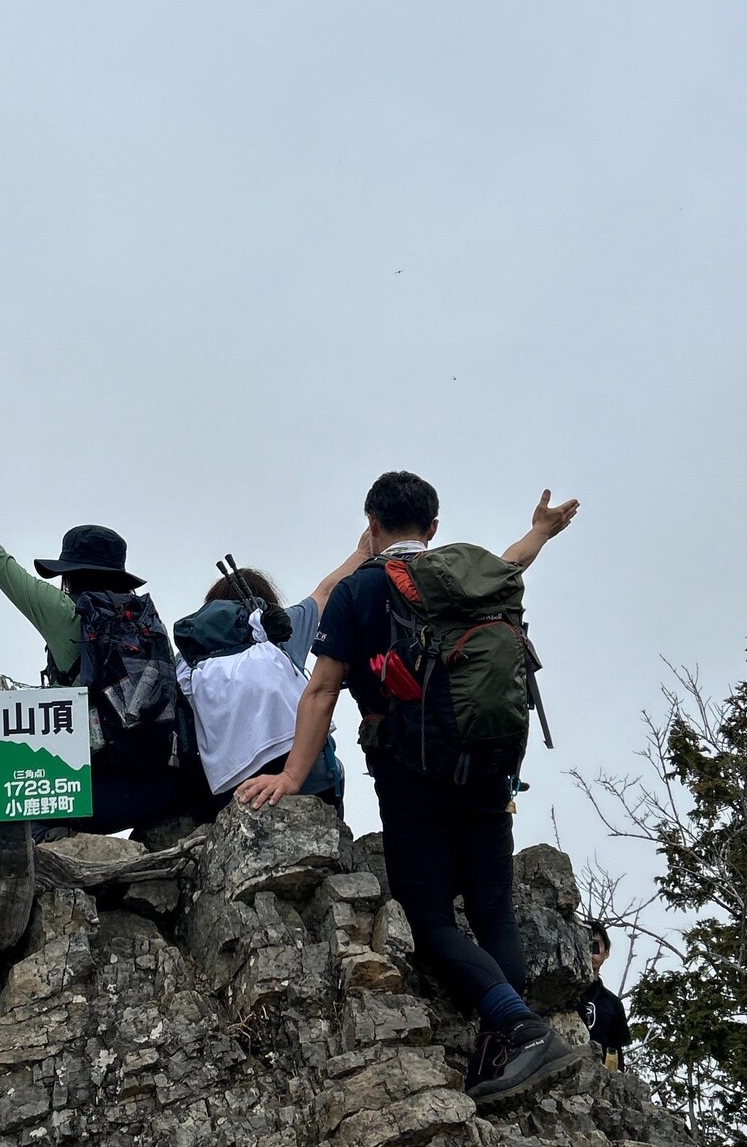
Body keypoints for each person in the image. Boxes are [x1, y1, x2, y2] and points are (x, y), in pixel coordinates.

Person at [238, 470, 583, 1109]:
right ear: (433, 529)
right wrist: (540, 532)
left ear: (371, 527)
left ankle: (520, 1029)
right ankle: (500, 1052)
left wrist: (289, 775)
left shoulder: (359, 592)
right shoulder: (471, 571)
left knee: (428, 922)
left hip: (412, 777)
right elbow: (512, 563)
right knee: (491, 911)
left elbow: (321, 690)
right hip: (488, 768)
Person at [0, 447, 201, 837]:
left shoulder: (66, 613)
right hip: (166, 785)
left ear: (69, 575)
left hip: (104, 793)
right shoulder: (147, 623)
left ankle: (71, 859)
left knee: (15, 828)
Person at [175, 536, 370, 812]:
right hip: (309, 784)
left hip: (227, 791)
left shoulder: (189, 658)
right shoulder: (280, 631)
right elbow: (327, 592)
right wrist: (364, 550)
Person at [577, 922, 632, 1071]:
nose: (590, 952)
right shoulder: (560, 993)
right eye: (584, 945)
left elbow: (615, 1053)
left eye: (595, 945)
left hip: (597, 1077)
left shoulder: (613, 1003)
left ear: (606, 952)